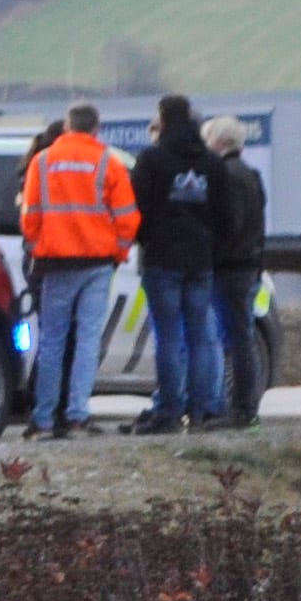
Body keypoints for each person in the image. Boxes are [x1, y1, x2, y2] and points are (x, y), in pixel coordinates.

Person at [21, 102, 140, 438]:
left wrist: (41, 245)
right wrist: (118, 253)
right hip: (98, 263)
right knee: (88, 340)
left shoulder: (42, 162)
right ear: (96, 129)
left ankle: (44, 418)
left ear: (67, 126)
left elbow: (30, 217)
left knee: (52, 342)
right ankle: (77, 414)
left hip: (56, 263)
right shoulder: (108, 162)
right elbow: (128, 218)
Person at [129, 95, 229, 434]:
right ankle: (201, 411)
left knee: (169, 337)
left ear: (163, 119)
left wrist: (147, 239)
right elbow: (224, 215)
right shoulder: (211, 163)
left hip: (162, 259)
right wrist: (211, 247)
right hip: (200, 260)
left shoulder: (152, 159)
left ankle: (170, 411)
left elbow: (136, 208)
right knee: (200, 336)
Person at [204, 114, 268, 430]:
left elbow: (229, 224)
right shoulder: (252, 175)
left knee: (235, 339)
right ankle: (245, 406)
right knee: (242, 336)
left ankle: (242, 408)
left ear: (219, 142)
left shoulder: (225, 176)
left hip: (229, 268)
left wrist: (211, 253)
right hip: (249, 265)